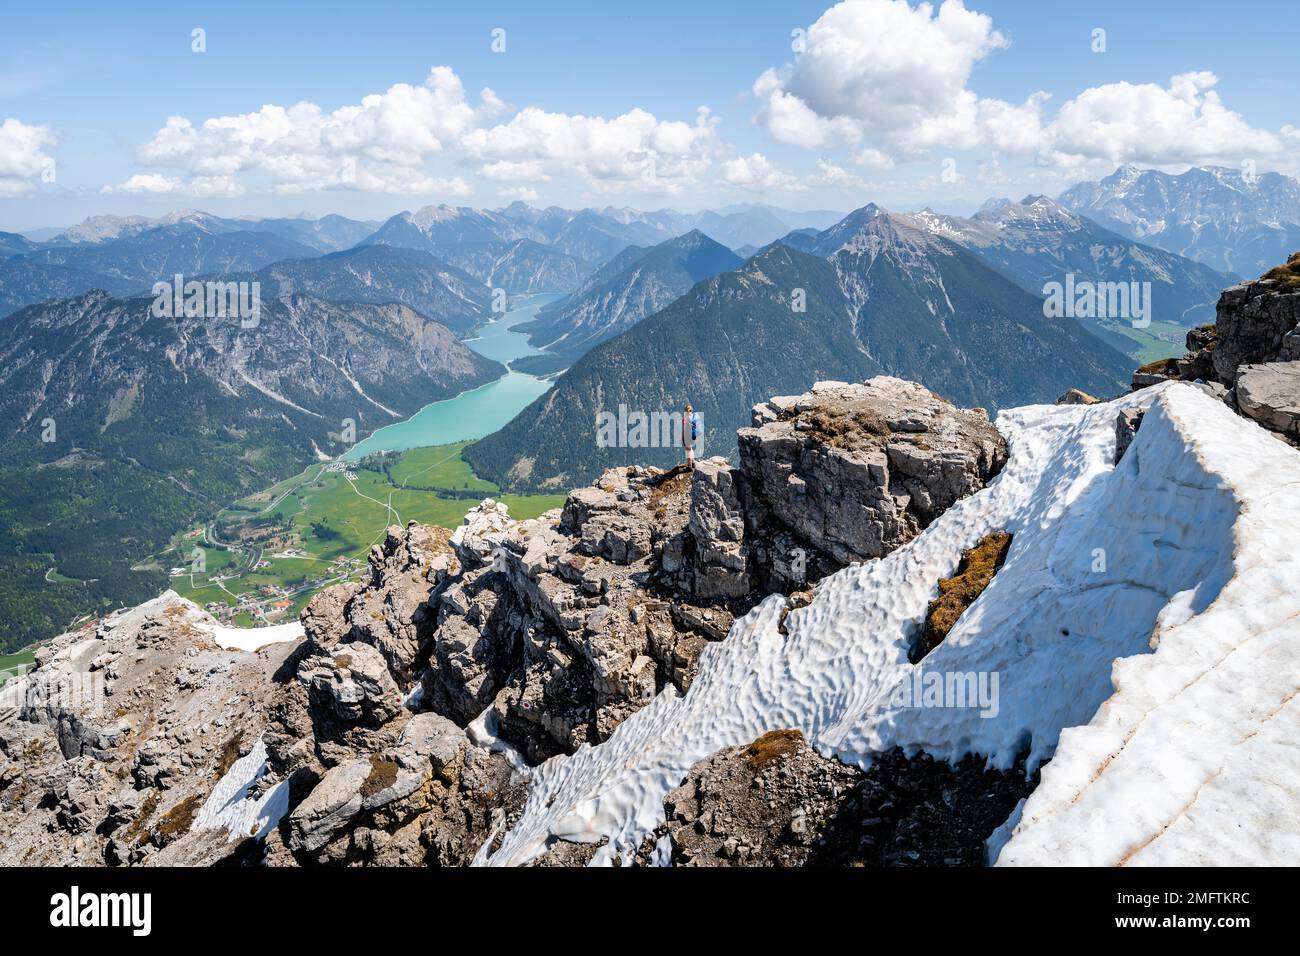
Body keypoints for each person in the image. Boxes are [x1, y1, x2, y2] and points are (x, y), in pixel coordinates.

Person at [683, 403, 699, 470]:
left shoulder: (686, 418)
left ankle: (689, 466)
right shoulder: (693, 416)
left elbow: (685, 428)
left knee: (688, 450)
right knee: (691, 449)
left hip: (688, 436)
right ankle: (693, 463)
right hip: (693, 436)